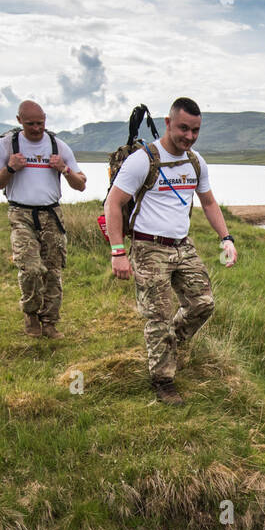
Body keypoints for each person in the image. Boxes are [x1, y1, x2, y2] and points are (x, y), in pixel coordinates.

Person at [103, 97, 238, 404]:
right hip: (148, 247)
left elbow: (208, 202)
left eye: (195, 130)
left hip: (183, 246)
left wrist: (226, 238)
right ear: (167, 123)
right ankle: (163, 380)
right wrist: (118, 252)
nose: (189, 136)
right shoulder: (142, 160)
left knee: (203, 304)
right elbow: (114, 203)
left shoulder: (195, 162)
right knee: (159, 316)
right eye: (183, 129)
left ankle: (167, 345)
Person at [0, 100, 87, 338]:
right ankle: (31, 315)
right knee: (30, 268)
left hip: (52, 214)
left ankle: (49, 322)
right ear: (19, 120)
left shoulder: (57, 146)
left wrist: (64, 169)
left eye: (40, 123)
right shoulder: (6, 146)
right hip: (21, 214)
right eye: (30, 124)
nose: (36, 128)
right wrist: (10, 169)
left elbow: (81, 184)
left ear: (45, 120)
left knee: (53, 270)